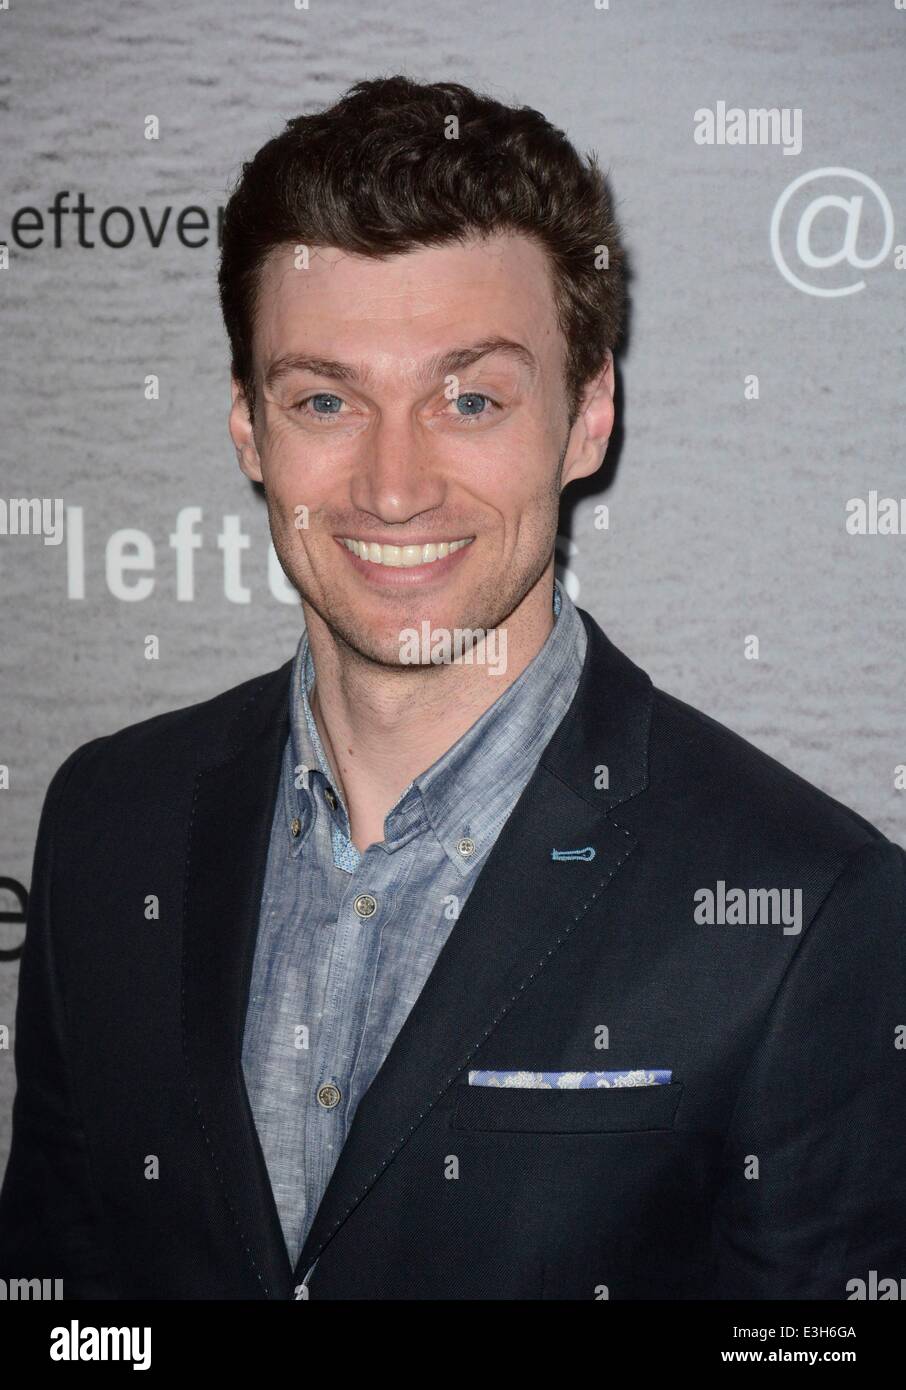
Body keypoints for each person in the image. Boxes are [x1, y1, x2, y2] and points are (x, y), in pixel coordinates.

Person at [1, 75, 903, 1301]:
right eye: (326, 399)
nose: (391, 483)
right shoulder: (108, 823)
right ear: (249, 432)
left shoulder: (805, 907)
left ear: (586, 419)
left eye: (469, 398)